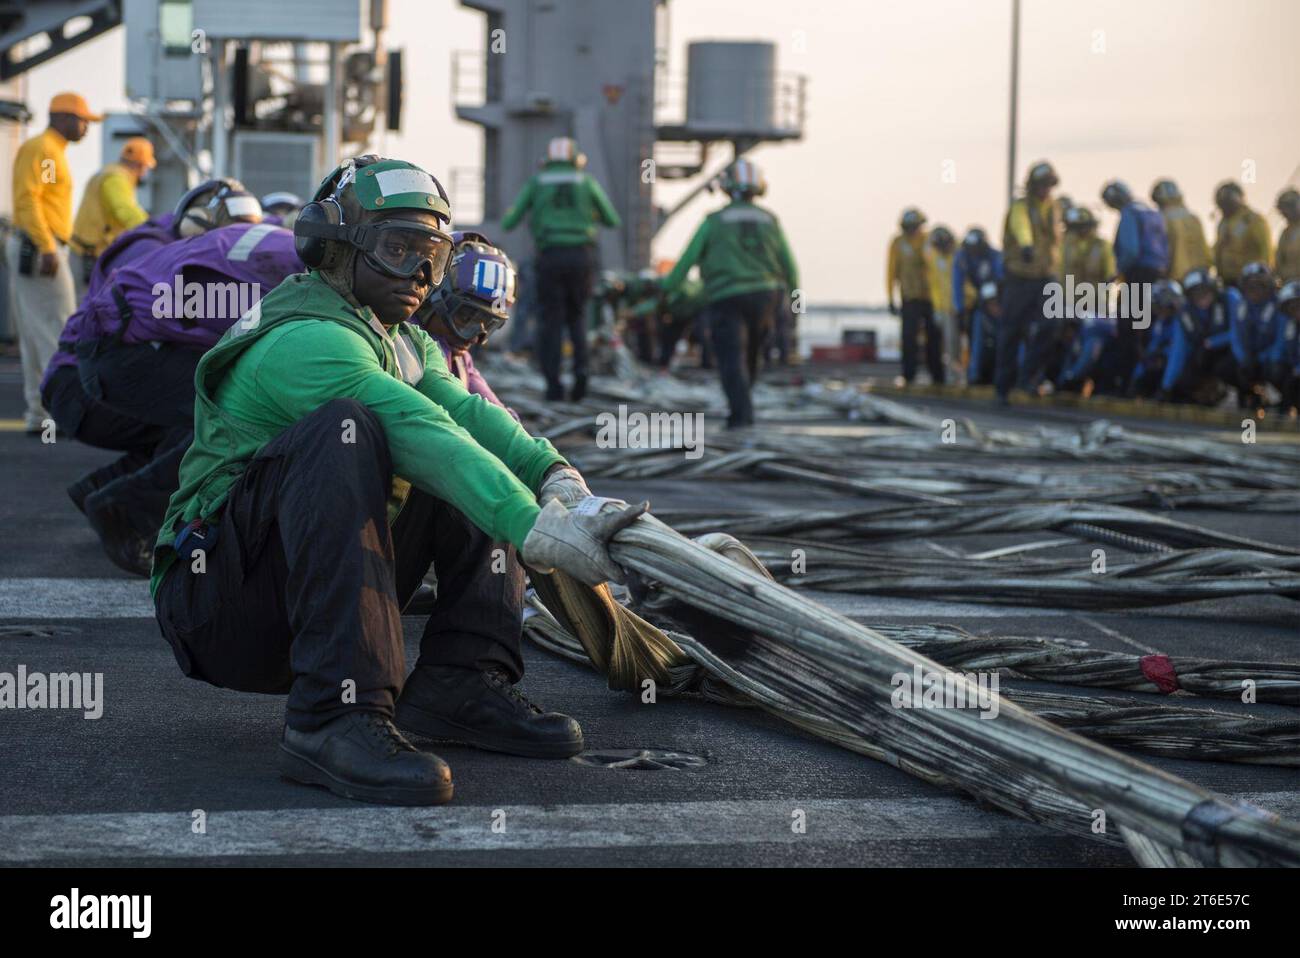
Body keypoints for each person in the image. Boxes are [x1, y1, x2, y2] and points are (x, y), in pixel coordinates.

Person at [152, 155, 646, 806]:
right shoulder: (306, 339)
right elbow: (419, 428)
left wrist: (556, 477)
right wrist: (533, 526)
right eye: (396, 249)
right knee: (345, 429)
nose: (418, 272)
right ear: (333, 246)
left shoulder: (403, 342)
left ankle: (458, 681)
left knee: (464, 450)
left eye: (431, 256)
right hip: (219, 604)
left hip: (285, 584)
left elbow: (470, 415)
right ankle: (332, 717)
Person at [75, 194, 300, 576]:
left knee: (228, 402)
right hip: (113, 354)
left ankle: (104, 488)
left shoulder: (277, 248)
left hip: (114, 346)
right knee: (243, 413)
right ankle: (126, 508)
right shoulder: (291, 267)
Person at [42, 208, 182, 522]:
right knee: (199, 418)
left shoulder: (156, 243)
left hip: (73, 384)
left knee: (184, 419)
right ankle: (124, 507)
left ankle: (101, 487)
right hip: (78, 388)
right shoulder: (152, 250)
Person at [661, 159, 798, 428]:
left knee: (731, 357)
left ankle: (741, 417)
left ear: (726, 187)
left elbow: (686, 261)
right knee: (753, 355)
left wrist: (666, 291)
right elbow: (789, 265)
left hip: (727, 297)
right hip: (765, 296)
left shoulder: (714, 221)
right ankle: (744, 410)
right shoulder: (770, 221)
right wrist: (795, 303)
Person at [7, 92, 100, 434]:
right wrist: (48, 246)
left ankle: (41, 414)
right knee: (57, 330)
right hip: (41, 248)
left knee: (37, 333)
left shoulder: (49, 151)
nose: (87, 127)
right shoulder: (45, 151)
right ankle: (59, 412)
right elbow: (30, 199)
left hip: (36, 245)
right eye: (83, 119)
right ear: (62, 117)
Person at [501, 136, 621, 401]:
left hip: (549, 257)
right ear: (576, 160)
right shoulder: (586, 182)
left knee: (550, 322)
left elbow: (509, 222)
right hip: (581, 257)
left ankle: (553, 385)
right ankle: (581, 379)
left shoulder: (537, 182)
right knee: (578, 319)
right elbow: (612, 219)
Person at [997, 161, 1061, 403]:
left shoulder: (1054, 208)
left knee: (1051, 324)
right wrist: (1026, 245)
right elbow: (1021, 225)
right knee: (1011, 331)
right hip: (1020, 276)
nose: (1045, 190)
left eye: (1049, 185)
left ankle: (1029, 378)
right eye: (1041, 185)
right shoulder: (1020, 207)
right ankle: (1004, 387)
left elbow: (1057, 243)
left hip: (1046, 276)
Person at [70, 137, 156, 300]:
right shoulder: (117, 179)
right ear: (141, 165)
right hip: (88, 255)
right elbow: (125, 211)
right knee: (86, 307)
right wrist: (154, 228)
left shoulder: (109, 172)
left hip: (86, 252)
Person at [887, 207, 941, 385]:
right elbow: (891, 271)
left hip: (931, 297)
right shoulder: (898, 243)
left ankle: (937, 375)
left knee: (934, 337)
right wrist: (891, 298)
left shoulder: (928, 241)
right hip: (909, 297)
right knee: (909, 337)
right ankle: (908, 375)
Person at [1183, 267, 1247, 405]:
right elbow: (1180, 348)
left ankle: (1245, 392)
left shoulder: (1230, 298)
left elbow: (1239, 333)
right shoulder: (1188, 312)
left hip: (1236, 350)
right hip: (1209, 353)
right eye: (1195, 293)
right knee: (1192, 367)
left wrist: (1214, 342)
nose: (1201, 297)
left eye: (1204, 291)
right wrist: (1166, 386)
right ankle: (1212, 394)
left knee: (1228, 367)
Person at [1129, 280, 1198, 402]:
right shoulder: (1160, 323)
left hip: (1191, 361)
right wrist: (1136, 378)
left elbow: (1178, 353)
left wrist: (1165, 388)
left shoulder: (1182, 319)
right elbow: (1152, 348)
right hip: (1170, 362)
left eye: (1160, 307)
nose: (1158, 311)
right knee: (1152, 362)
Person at [1213, 181, 1272, 288]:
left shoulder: (1253, 220)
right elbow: (1218, 250)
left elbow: (1265, 249)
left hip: (1250, 280)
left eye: (1226, 202)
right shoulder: (1223, 223)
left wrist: (1264, 275)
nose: (1224, 207)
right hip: (1227, 280)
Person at [1237, 261, 1279, 410]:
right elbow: (1237, 337)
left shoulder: (1279, 306)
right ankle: (1249, 398)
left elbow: (1280, 342)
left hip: (1270, 358)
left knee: (1276, 370)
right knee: (1237, 367)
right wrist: (1246, 358)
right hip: (1251, 357)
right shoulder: (1242, 306)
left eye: (1259, 285)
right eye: (1250, 286)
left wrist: (1261, 357)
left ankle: (1278, 401)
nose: (1254, 290)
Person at [1151, 179, 1210, 281]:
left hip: (1175, 276)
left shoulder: (1161, 219)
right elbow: (1204, 249)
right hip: (1200, 276)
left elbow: (1160, 251)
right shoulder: (1194, 218)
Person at [927, 225, 959, 381]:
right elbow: (935, 286)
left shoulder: (959, 254)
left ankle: (968, 373)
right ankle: (952, 375)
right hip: (946, 308)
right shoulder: (935, 258)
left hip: (964, 306)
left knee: (966, 343)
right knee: (949, 345)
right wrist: (937, 308)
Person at [1267, 280, 1300, 410]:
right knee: (1276, 371)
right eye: (1292, 308)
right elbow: (1281, 348)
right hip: (1294, 370)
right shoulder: (1290, 325)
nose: (1296, 311)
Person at [966, 280, 1001, 386]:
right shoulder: (981, 319)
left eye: (997, 302)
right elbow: (977, 347)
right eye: (991, 303)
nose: (995, 307)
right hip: (985, 368)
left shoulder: (1007, 318)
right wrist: (974, 375)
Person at [1275, 188, 1300, 284]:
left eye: (1288, 207)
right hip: (1290, 283)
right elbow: (1279, 260)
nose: (1285, 212)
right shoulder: (1286, 233)